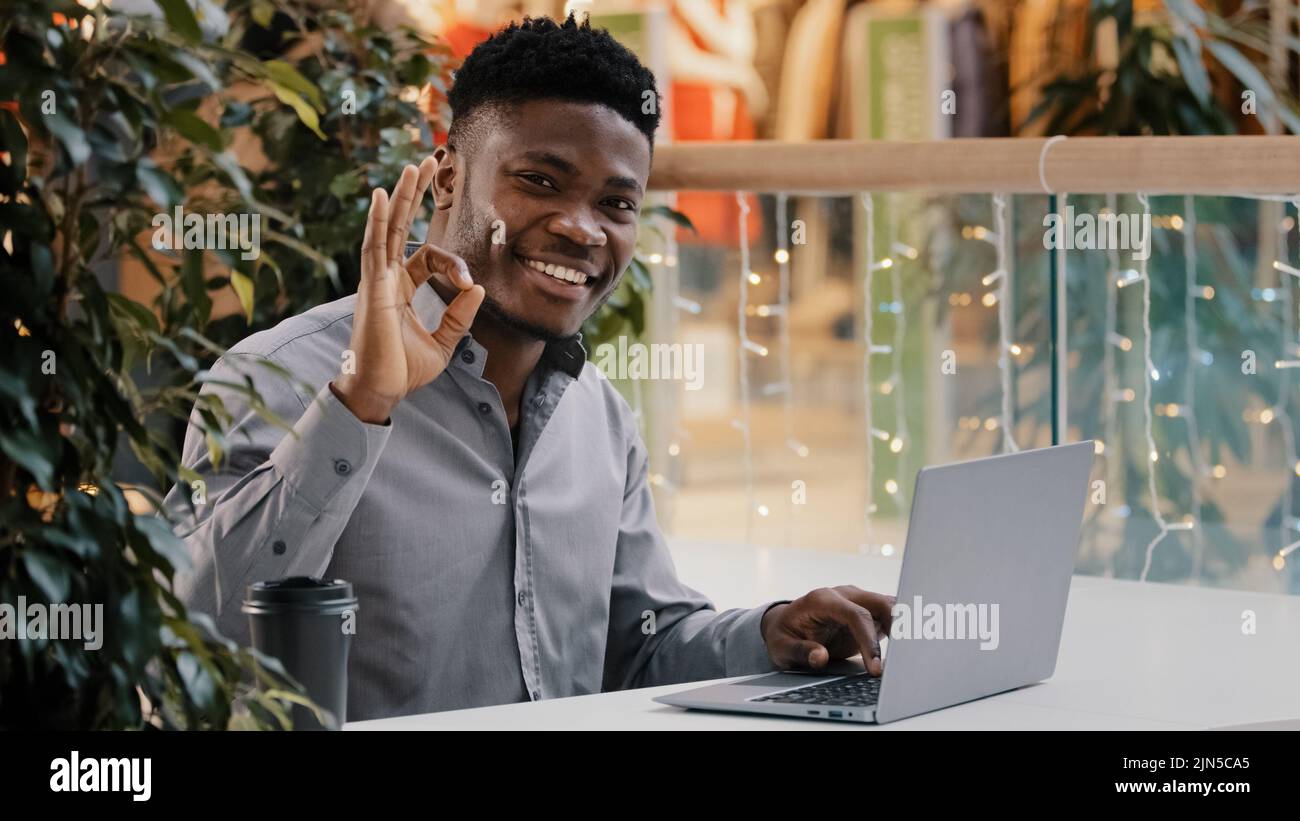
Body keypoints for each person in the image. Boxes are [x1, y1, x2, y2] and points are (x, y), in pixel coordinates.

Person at [168, 13, 894, 722]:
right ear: (448, 180)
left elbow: (640, 649)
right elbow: (196, 632)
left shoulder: (599, 415)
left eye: (615, 202)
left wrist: (772, 633)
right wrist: (357, 406)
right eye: (541, 181)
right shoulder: (278, 374)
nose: (582, 227)